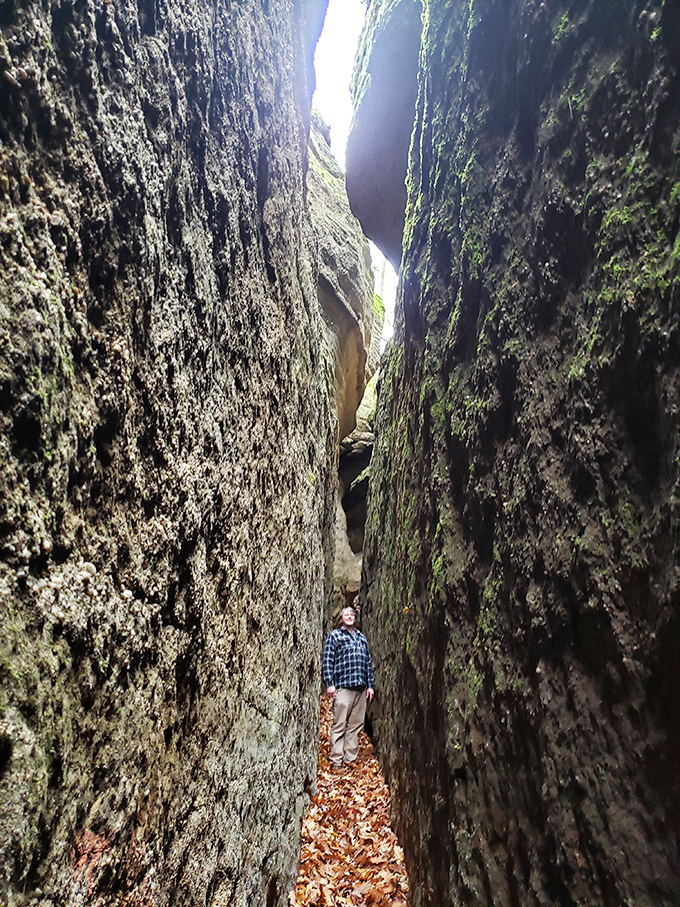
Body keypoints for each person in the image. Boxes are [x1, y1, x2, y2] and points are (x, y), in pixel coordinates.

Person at [321, 599, 375, 770]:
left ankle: (349, 759)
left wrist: (370, 686)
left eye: (352, 614)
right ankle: (336, 760)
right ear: (341, 618)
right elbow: (327, 660)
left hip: (360, 688)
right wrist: (330, 684)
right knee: (339, 724)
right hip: (343, 687)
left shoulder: (361, 638)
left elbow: (368, 662)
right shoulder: (335, 636)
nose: (350, 616)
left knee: (355, 725)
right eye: (346, 614)